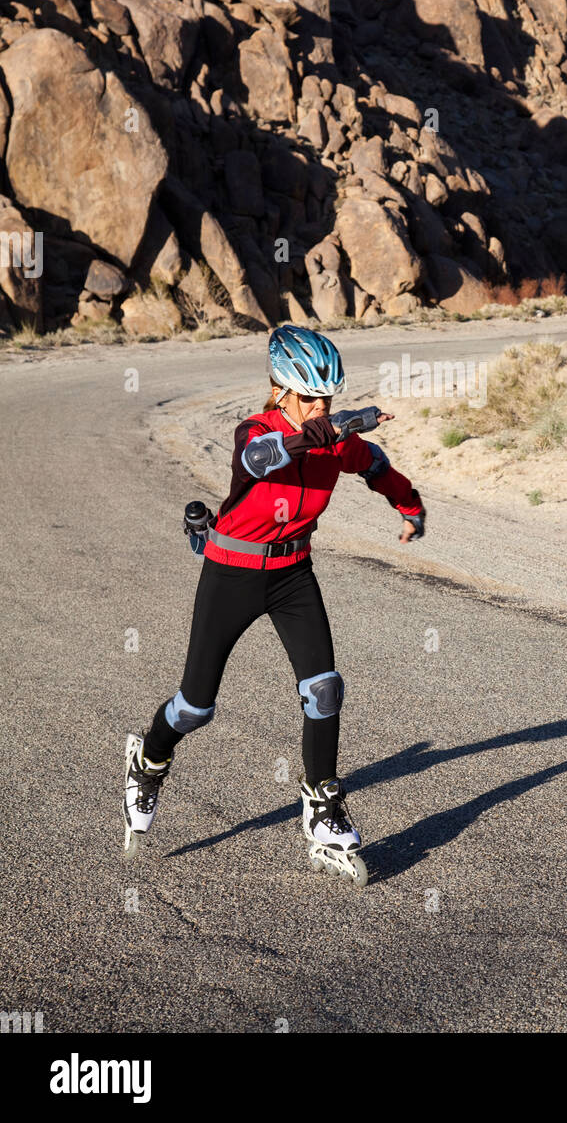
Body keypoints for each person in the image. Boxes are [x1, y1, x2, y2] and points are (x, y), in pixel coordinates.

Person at [123, 325, 426, 882]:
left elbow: (375, 463)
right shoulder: (256, 432)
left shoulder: (336, 438)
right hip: (232, 572)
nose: (319, 408)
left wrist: (410, 507)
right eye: (308, 397)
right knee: (196, 707)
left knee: (325, 688)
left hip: (292, 574)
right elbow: (261, 459)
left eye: (327, 398)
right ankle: (148, 759)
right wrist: (333, 427)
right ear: (280, 389)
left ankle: (323, 808)